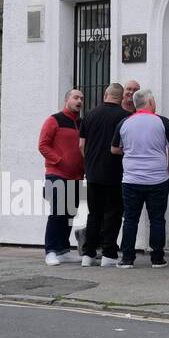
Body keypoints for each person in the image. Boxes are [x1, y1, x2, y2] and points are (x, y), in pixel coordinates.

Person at [113, 89, 169, 269]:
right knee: (157, 219)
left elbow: (114, 149)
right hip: (157, 179)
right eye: (154, 100)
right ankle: (157, 258)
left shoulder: (125, 122)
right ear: (150, 102)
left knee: (130, 219)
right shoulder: (162, 122)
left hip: (131, 179)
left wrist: (130, 151)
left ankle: (127, 258)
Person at [78, 83, 130, 267]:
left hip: (93, 172)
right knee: (114, 213)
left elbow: (81, 145)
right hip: (116, 172)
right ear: (122, 97)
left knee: (94, 214)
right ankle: (108, 254)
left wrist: (89, 163)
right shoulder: (125, 117)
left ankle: (88, 254)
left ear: (105, 94)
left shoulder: (90, 115)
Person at [38, 89, 84, 265]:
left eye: (81, 98)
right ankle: (50, 251)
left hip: (76, 176)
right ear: (67, 100)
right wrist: (59, 160)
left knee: (70, 213)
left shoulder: (81, 123)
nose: (79, 101)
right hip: (56, 174)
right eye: (75, 97)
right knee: (57, 213)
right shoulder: (54, 120)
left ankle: (63, 250)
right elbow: (43, 145)